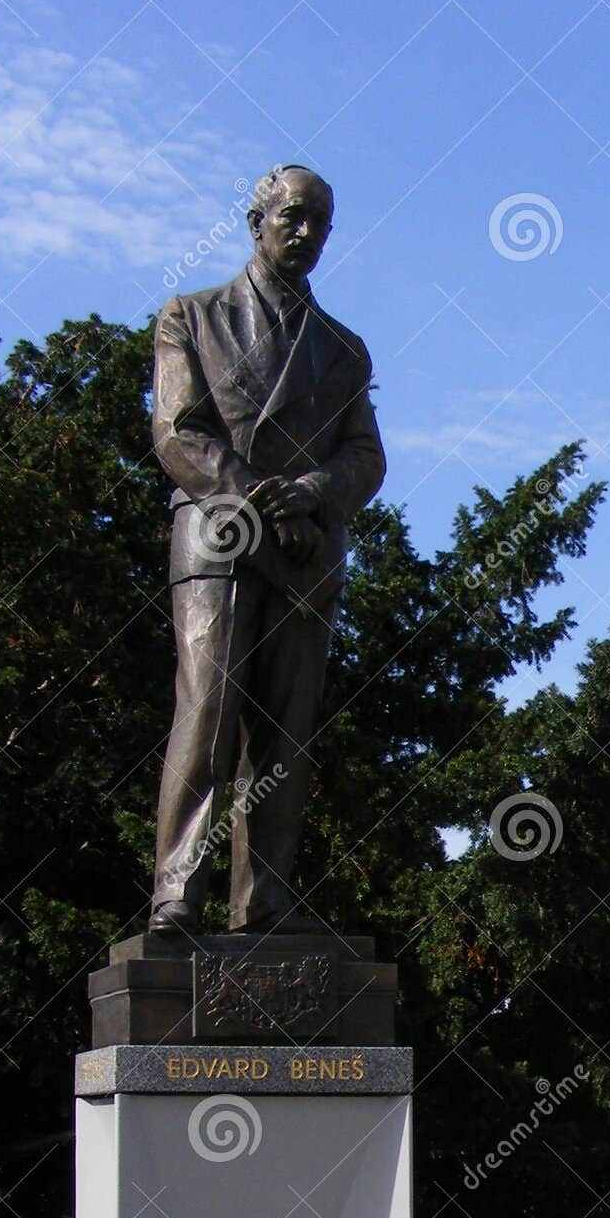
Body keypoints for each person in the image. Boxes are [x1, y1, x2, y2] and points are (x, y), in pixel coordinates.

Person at [147, 164, 386, 936]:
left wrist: (311, 493)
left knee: (286, 734)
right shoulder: (192, 315)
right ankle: (178, 892)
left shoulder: (344, 350)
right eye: (292, 216)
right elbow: (179, 433)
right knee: (209, 712)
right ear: (255, 223)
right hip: (220, 538)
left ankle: (267, 900)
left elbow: (366, 457)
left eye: (320, 221)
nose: (307, 232)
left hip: (308, 550)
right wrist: (259, 497)